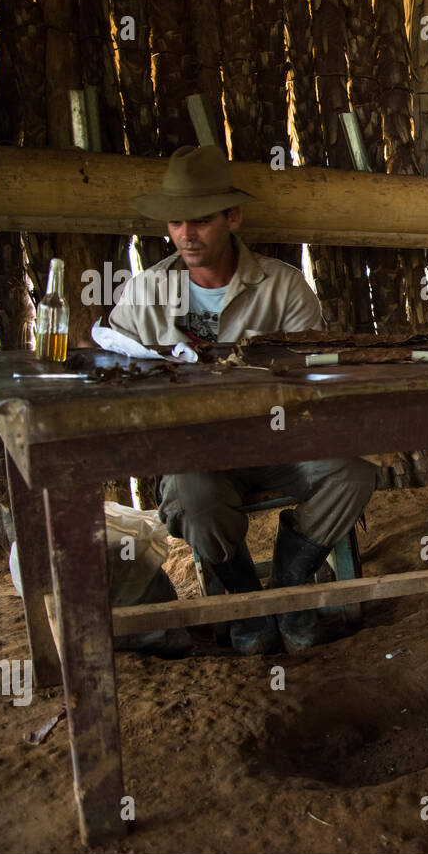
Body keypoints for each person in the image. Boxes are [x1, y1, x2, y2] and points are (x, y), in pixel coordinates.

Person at [109, 144, 379, 655]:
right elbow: (113, 367)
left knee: (353, 474)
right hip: (200, 456)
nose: (186, 234)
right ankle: (242, 599)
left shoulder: (283, 287)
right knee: (192, 497)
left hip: (282, 444)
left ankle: (287, 587)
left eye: (201, 221)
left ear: (232, 217)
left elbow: (314, 380)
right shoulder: (144, 292)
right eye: (175, 222)